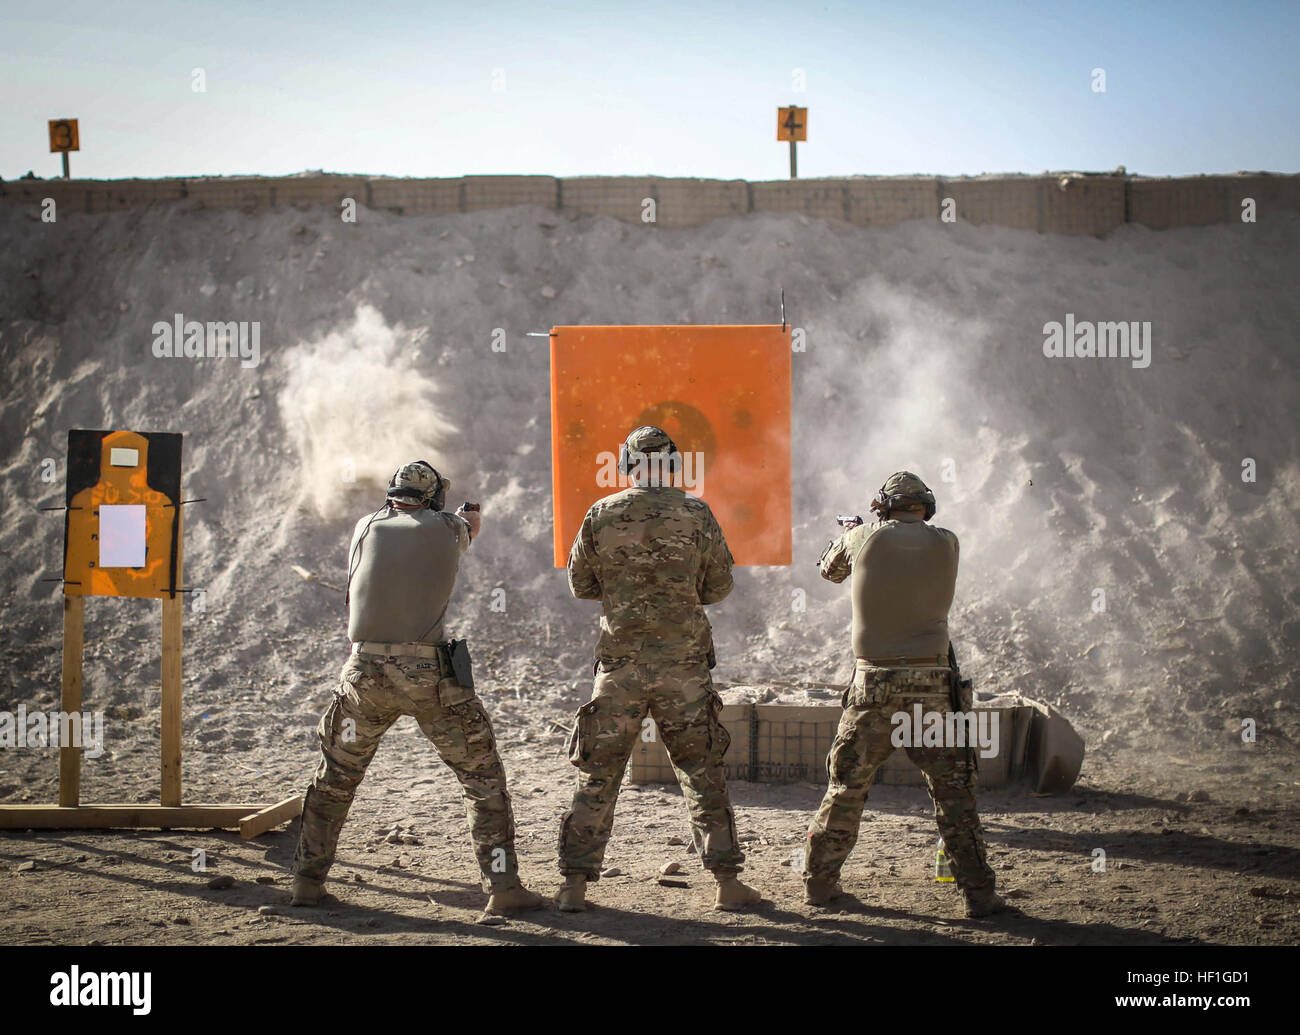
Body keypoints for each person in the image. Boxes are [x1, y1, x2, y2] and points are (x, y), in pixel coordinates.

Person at [290, 461, 542, 915]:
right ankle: (503, 889)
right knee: (482, 780)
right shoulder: (449, 527)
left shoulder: (365, 525)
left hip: (363, 673)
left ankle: (307, 883)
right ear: (433, 498)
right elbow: (465, 531)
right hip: (429, 676)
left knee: (334, 779)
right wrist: (471, 519)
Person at [556, 426, 761, 912]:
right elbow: (718, 588)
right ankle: (728, 884)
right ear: (672, 464)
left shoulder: (601, 514)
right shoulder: (696, 513)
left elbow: (581, 586)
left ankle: (573, 887)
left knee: (598, 773)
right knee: (701, 769)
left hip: (620, 664)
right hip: (683, 665)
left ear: (627, 463)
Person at [803, 470, 1007, 918]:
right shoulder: (948, 541)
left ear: (882, 505)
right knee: (954, 795)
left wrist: (853, 530)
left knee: (846, 788)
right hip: (933, 686)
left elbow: (829, 571)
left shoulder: (863, 538)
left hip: (872, 685)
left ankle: (818, 885)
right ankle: (979, 895)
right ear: (926, 506)